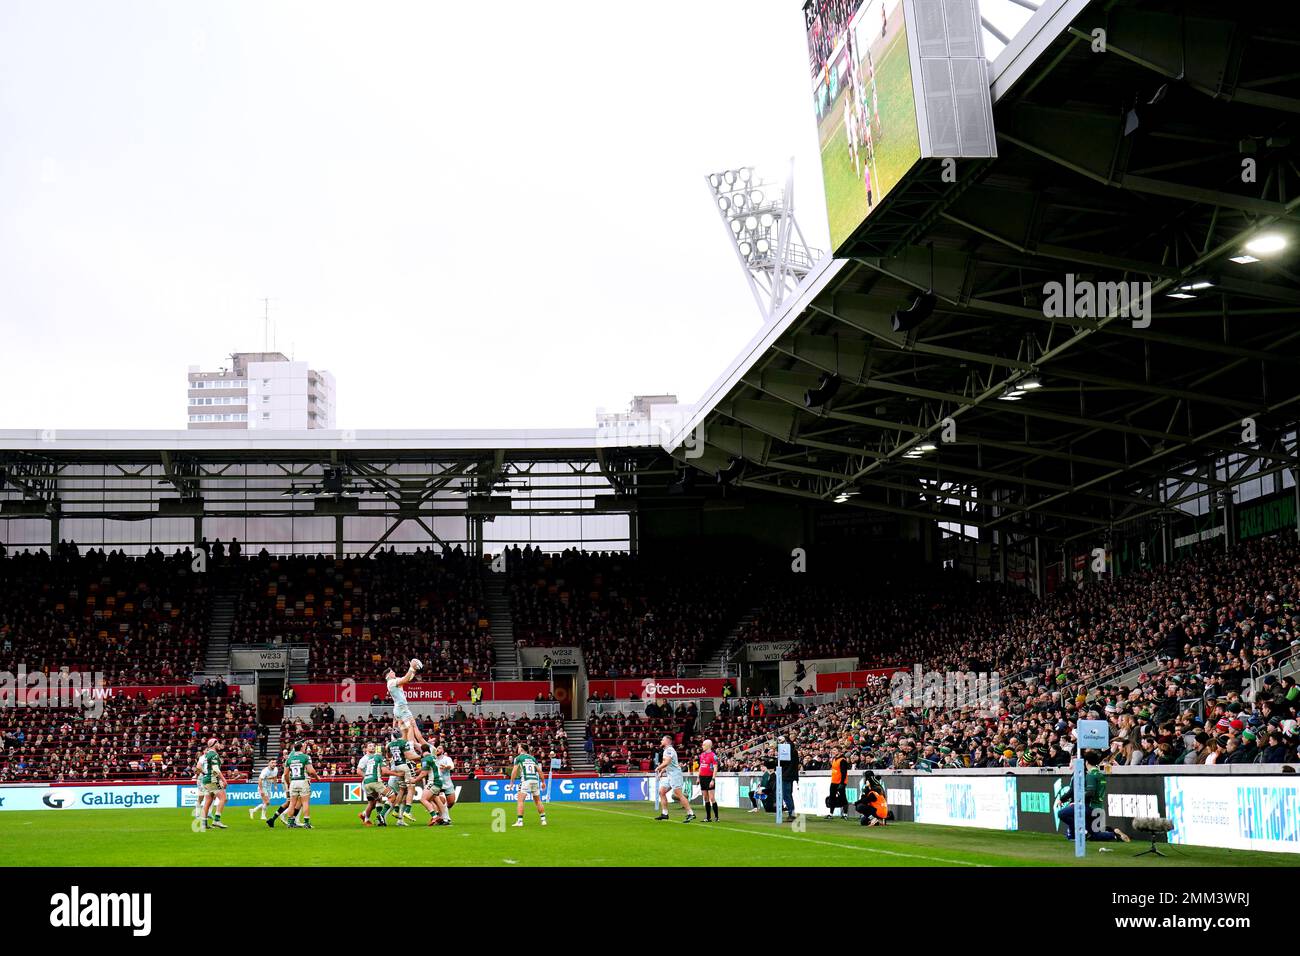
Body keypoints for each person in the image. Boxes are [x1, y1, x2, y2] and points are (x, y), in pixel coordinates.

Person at [1056, 751, 1130, 844]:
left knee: (1062, 813)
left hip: (1090, 807)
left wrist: (1078, 801)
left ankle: (1080, 830)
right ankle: (1114, 834)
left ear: (1086, 762)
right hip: (1098, 808)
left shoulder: (1090, 775)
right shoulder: (1100, 774)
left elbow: (1090, 792)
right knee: (1095, 835)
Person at [386, 659, 428, 751]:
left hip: (399, 709)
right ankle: (411, 748)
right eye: (392, 672)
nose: (394, 672)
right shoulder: (391, 682)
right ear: (388, 675)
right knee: (411, 727)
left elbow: (407, 679)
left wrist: (413, 669)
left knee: (405, 731)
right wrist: (411, 667)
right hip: (402, 708)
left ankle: (404, 750)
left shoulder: (394, 681)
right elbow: (405, 679)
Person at [653, 734, 695, 823]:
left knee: (678, 793)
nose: (661, 741)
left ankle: (691, 813)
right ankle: (665, 814)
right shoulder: (667, 750)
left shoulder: (669, 750)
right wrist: (662, 771)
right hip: (670, 775)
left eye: (662, 740)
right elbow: (668, 764)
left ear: (667, 741)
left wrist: (658, 768)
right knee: (661, 791)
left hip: (675, 775)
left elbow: (667, 762)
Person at [511, 741, 547, 828]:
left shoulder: (518, 758)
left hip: (526, 780)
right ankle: (543, 820)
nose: (517, 748)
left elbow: (514, 771)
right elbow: (539, 771)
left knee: (520, 800)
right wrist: (543, 782)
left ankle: (520, 821)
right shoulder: (532, 758)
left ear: (522, 749)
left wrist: (511, 783)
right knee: (538, 801)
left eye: (519, 747)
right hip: (535, 780)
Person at [196, 738, 228, 830]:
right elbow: (216, 769)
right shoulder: (214, 755)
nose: (219, 744)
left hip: (206, 780)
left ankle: (203, 823)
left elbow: (200, 767)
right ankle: (216, 820)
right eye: (217, 742)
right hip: (212, 780)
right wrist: (224, 780)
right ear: (214, 744)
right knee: (223, 798)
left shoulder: (206, 755)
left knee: (208, 802)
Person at [356, 743, 388, 826]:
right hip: (369, 781)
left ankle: (364, 814)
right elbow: (358, 771)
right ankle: (367, 819)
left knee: (375, 802)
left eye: (373, 746)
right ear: (365, 749)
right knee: (373, 802)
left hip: (374, 781)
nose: (372, 747)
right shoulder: (364, 759)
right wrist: (367, 776)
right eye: (370, 746)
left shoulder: (376, 756)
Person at [250, 757, 278, 821]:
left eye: (275, 763)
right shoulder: (265, 771)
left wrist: (275, 785)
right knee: (267, 802)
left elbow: (275, 777)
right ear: (269, 763)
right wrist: (261, 789)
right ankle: (263, 816)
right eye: (272, 763)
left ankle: (253, 810)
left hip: (269, 787)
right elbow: (260, 780)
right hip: (262, 787)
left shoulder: (276, 769)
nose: (274, 764)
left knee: (266, 803)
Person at [698, 738, 719, 822]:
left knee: (712, 798)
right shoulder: (702, 755)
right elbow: (700, 766)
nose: (702, 746)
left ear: (708, 745)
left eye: (703, 744)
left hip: (709, 778)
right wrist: (698, 777)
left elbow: (715, 768)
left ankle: (716, 817)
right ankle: (708, 817)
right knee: (705, 798)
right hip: (702, 778)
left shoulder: (713, 756)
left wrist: (713, 779)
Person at [826, 747, 849, 819]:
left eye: (835, 750)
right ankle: (831, 814)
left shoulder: (842, 760)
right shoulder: (834, 759)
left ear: (839, 751)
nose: (833, 751)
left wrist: (842, 783)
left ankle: (845, 814)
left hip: (840, 782)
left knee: (843, 797)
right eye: (833, 750)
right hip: (834, 781)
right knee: (832, 797)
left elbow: (844, 772)